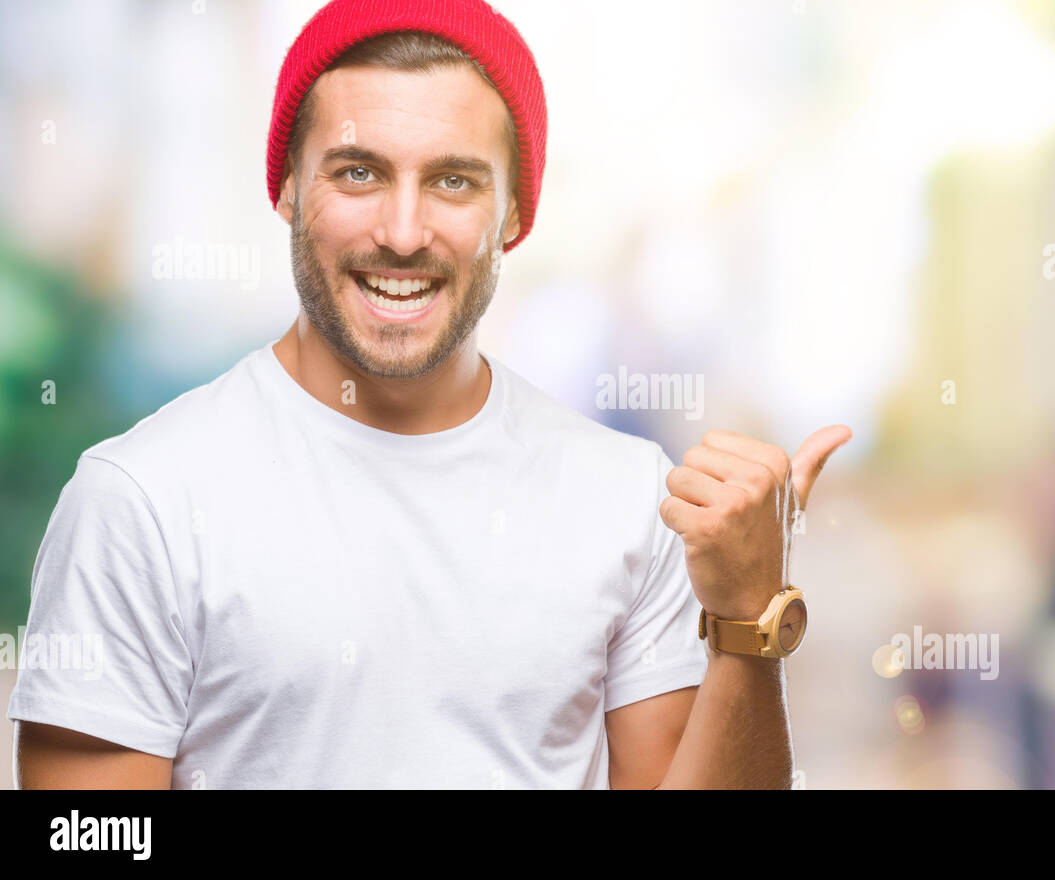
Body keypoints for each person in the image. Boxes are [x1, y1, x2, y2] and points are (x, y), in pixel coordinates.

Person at [8, 0, 850, 789]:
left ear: (514, 212)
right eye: (359, 172)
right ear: (288, 189)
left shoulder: (632, 498)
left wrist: (748, 623)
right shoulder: (142, 500)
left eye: (453, 181)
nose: (403, 233)